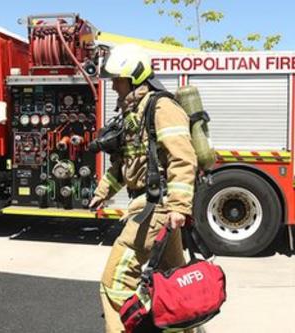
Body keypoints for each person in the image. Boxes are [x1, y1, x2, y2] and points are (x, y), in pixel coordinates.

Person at [90, 44, 197, 333]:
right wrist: (102, 193)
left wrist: (178, 206)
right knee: (174, 283)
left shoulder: (162, 107)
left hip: (156, 209)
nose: (113, 86)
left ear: (135, 78)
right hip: (154, 207)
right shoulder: (134, 113)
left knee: (113, 283)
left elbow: (183, 158)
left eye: (117, 80)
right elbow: (126, 164)